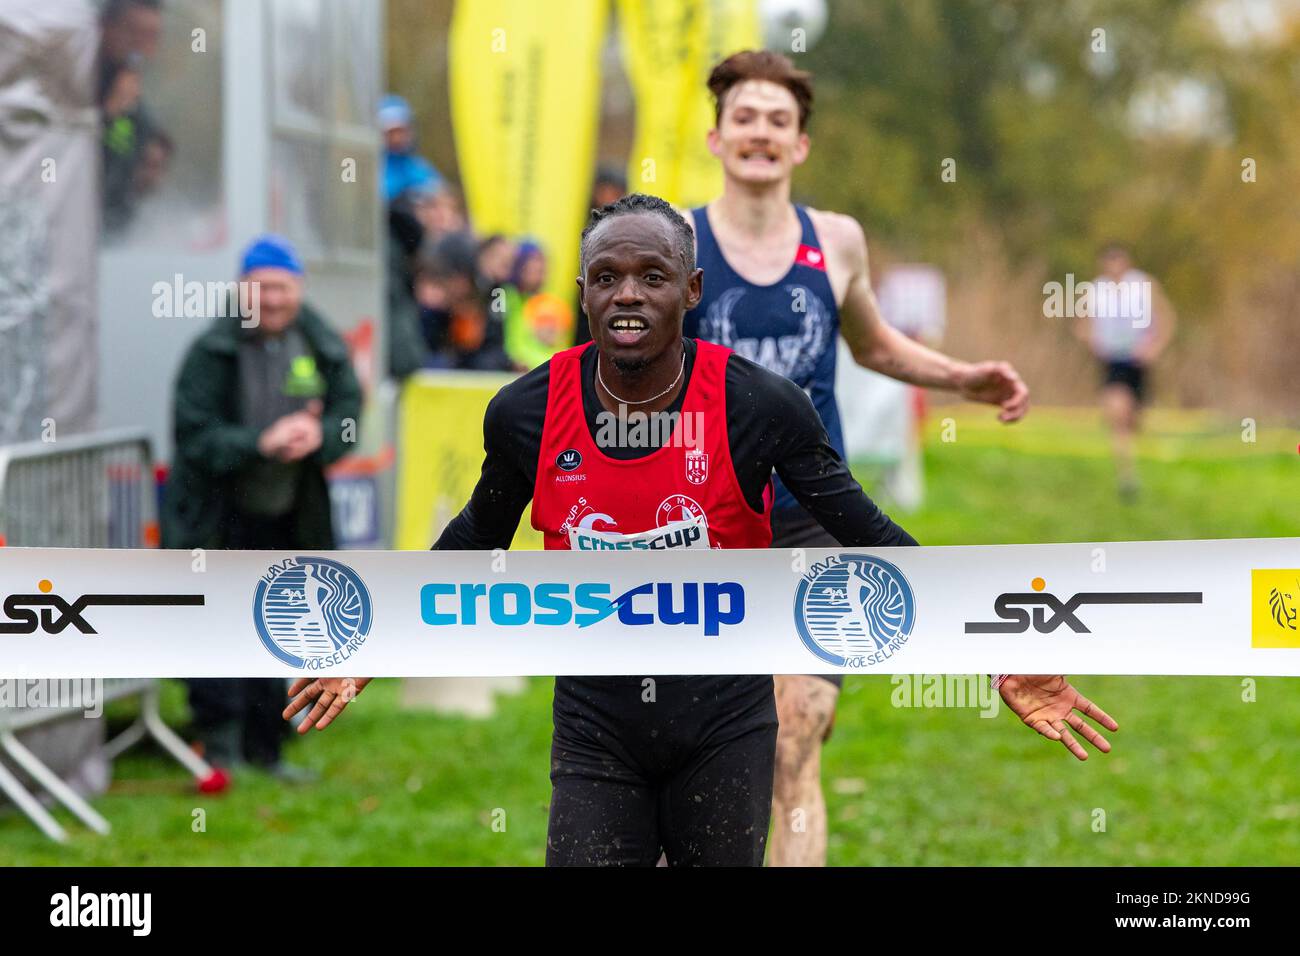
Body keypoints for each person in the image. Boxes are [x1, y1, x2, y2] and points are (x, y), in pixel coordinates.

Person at [282, 196, 1114, 866]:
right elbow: (474, 540)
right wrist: (374, 644)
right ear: (583, 292)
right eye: (607, 277)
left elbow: (873, 537)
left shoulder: (758, 405)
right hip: (596, 725)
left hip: (725, 723)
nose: (628, 295)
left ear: (691, 290)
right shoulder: (528, 412)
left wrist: (994, 651)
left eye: (653, 276)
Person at [682, 50, 1036, 866]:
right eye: (745, 117)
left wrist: (962, 379)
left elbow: (872, 344)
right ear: (716, 137)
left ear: (801, 143)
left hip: (814, 519)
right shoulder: (679, 239)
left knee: (792, 738)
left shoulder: (836, 241)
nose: (761, 133)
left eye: (779, 120)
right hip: (701, 523)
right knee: (698, 751)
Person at [162, 234, 361, 778]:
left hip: (291, 514)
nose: (272, 299)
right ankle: (219, 745)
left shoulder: (320, 343)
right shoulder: (211, 351)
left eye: (282, 288)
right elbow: (193, 437)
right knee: (216, 625)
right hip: (217, 519)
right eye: (262, 288)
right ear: (242, 289)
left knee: (279, 627)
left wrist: (320, 436)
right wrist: (260, 443)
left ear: (299, 289)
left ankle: (267, 747)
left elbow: (348, 413)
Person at [1074, 242, 1176, 500]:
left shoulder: (1144, 285)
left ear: (1127, 263)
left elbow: (1166, 318)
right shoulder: (1095, 291)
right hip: (1112, 361)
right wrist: (1093, 342)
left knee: (1133, 419)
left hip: (1138, 362)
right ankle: (1127, 476)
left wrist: (1154, 348)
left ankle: (1133, 447)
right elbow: (1082, 325)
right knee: (1118, 414)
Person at [380, 94, 441, 203]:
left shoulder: (418, 166)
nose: (397, 138)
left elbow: (440, 193)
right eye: (391, 133)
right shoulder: (374, 169)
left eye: (401, 131)